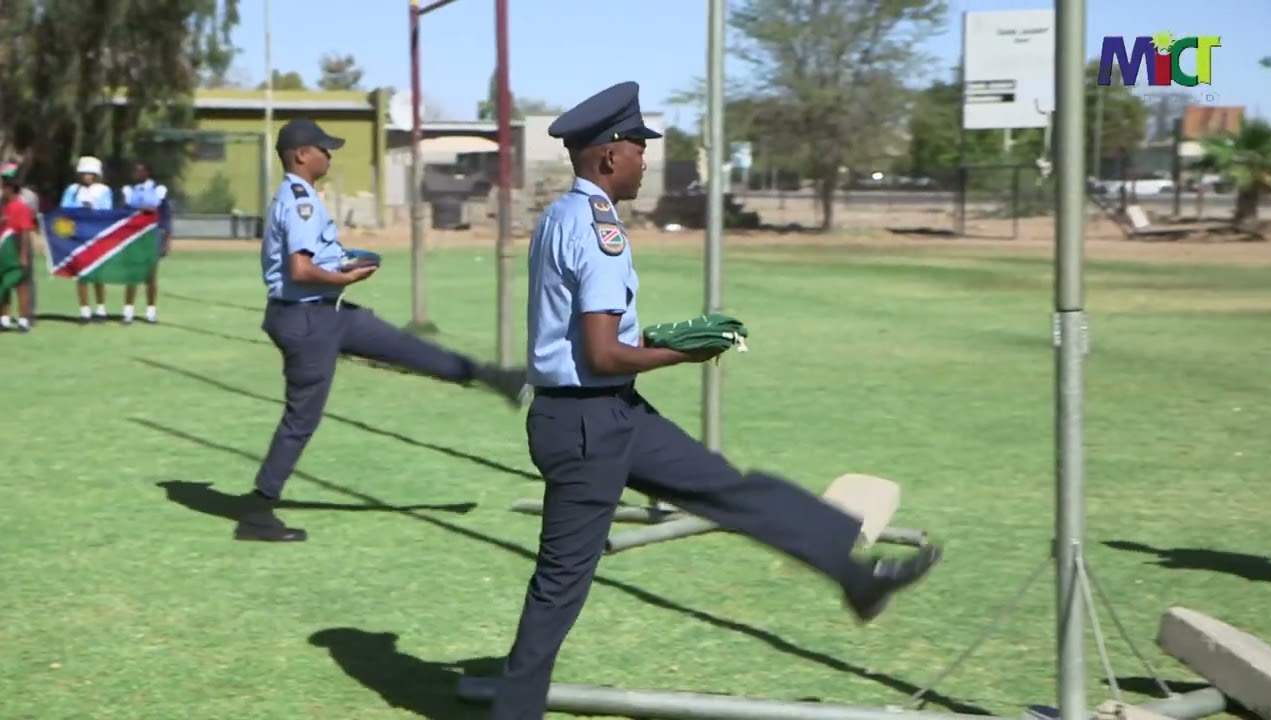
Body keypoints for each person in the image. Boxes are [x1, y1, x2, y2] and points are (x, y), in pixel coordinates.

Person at [486, 82, 945, 719]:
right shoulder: (597, 232)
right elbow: (599, 355)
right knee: (561, 584)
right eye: (639, 147)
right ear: (609, 156)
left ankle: (854, 574)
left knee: (726, 487)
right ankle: (512, 710)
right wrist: (688, 354)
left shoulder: (563, 216)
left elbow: (596, 336)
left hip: (609, 413)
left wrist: (661, 336)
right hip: (587, 423)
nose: (646, 159)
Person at [236, 117, 530, 543]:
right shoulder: (299, 199)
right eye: (324, 148)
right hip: (307, 319)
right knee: (302, 418)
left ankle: (492, 376)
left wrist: (345, 262)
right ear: (302, 154)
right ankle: (258, 511)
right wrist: (346, 278)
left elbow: (313, 258)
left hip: (328, 313)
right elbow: (300, 269)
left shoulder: (301, 197)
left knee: (405, 346)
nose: (329, 154)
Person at [59, 155, 113, 323]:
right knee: (81, 275)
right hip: (78, 237)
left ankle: (101, 308)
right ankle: (84, 310)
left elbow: (107, 211)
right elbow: (64, 210)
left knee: (98, 274)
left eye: (91, 173)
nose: (87, 176)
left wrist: (93, 208)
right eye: (84, 173)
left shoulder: (104, 190)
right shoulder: (72, 190)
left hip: (96, 237)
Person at [120, 161, 169, 324]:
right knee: (131, 275)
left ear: (148, 172)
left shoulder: (159, 190)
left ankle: (151, 312)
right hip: (133, 237)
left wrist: (165, 240)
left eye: (139, 171)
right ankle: (128, 311)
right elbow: (123, 213)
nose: (136, 174)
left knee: (150, 276)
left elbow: (165, 216)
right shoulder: (128, 191)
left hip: (152, 236)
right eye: (134, 171)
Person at [0, 162, 35, 332]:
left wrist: (23, 255)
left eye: (5, 186)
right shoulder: (2, 206)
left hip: (17, 247)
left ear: (12, 188)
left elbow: (26, 232)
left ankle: (23, 319)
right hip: (3, 251)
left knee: (21, 285)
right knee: (4, 284)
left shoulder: (21, 207)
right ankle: (4, 318)